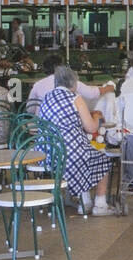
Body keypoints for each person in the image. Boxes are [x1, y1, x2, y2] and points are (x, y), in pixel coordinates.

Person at [38, 66, 114, 216]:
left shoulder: (46, 97)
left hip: (47, 153)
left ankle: (84, 201)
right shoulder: (75, 98)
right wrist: (97, 117)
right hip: (70, 153)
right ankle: (100, 205)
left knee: (84, 156)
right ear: (73, 83)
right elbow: (91, 128)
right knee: (101, 159)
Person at [28, 54, 112, 110]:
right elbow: (92, 94)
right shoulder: (69, 81)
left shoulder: (37, 85)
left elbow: (30, 108)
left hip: (41, 128)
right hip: (63, 126)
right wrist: (109, 87)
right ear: (61, 67)